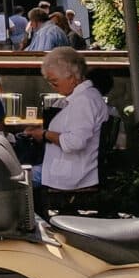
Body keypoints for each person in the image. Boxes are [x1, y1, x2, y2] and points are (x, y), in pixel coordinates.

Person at [36, 46, 109, 214]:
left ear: (72, 78)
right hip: (69, 169)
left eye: (54, 81)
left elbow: (75, 142)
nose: (52, 86)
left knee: (14, 178)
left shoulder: (84, 101)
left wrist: (45, 134)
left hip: (72, 175)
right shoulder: (83, 98)